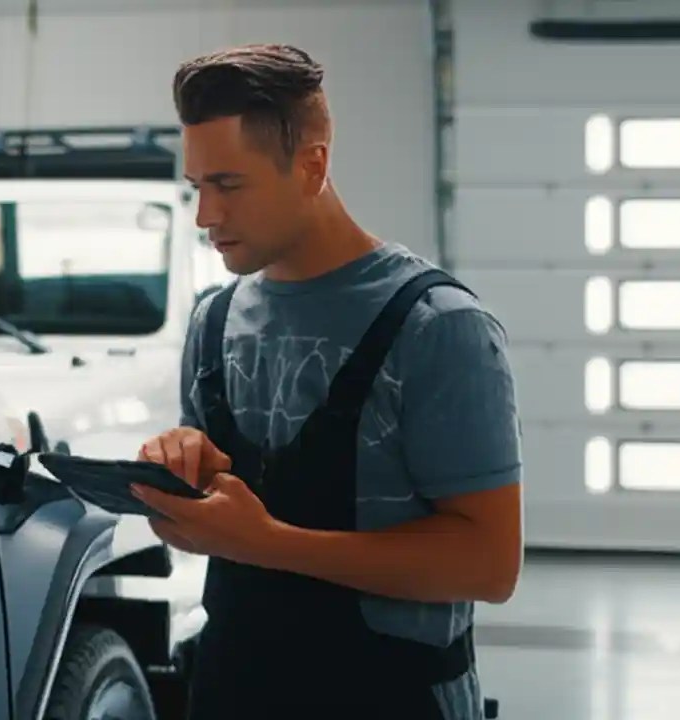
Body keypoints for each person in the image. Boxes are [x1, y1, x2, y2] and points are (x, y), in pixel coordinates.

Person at [129, 44, 523, 719]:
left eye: (229, 185)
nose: (204, 215)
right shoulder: (213, 320)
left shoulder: (436, 327)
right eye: (197, 187)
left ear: (311, 166)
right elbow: (216, 513)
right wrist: (184, 474)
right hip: (231, 691)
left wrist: (265, 542)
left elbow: (490, 565)